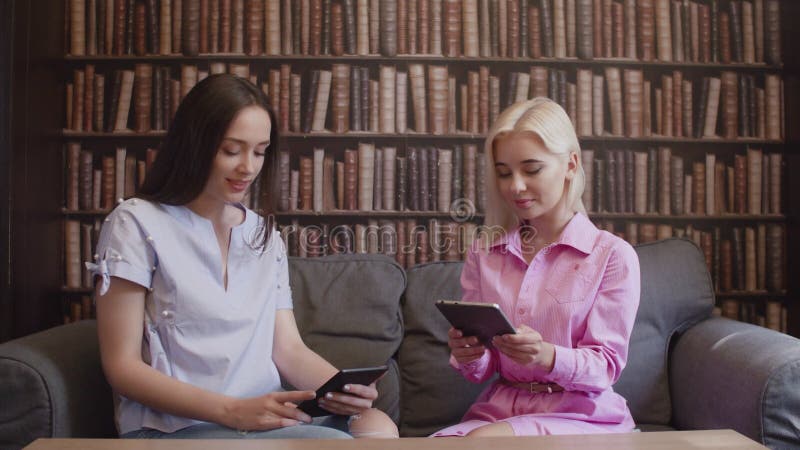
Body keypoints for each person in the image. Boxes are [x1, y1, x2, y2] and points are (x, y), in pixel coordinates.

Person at [88, 74, 398, 439]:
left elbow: (288, 349)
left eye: (260, 151)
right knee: (331, 442)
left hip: (262, 419)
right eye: (231, 150)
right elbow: (121, 367)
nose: (248, 168)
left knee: (377, 425)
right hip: (177, 425)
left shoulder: (263, 235)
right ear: (194, 145)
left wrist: (341, 390)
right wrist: (232, 411)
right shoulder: (136, 223)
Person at [432, 97, 640, 437]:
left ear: (571, 165)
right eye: (504, 173)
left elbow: (606, 367)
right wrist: (470, 354)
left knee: (483, 441)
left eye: (531, 169)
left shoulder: (612, 255)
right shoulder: (485, 253)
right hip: (498, 412)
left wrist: (547, 356)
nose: (515, 186)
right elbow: (484, 369)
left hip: (582, 416)